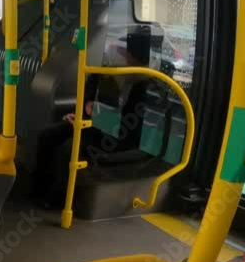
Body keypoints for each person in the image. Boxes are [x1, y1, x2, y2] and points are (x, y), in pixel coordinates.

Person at [31, 29, 154, 207]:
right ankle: (38, 191)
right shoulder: (112, 71)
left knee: (69, 147)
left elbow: (130, 126)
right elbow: (90, 89)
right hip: (97, 124)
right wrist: (83, 111)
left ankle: (58, 199)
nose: (120, 55)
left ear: (135, 57)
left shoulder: (145, 85)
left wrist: (92, 119)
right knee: (47, 135)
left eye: (125, 52)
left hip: (116, 136)